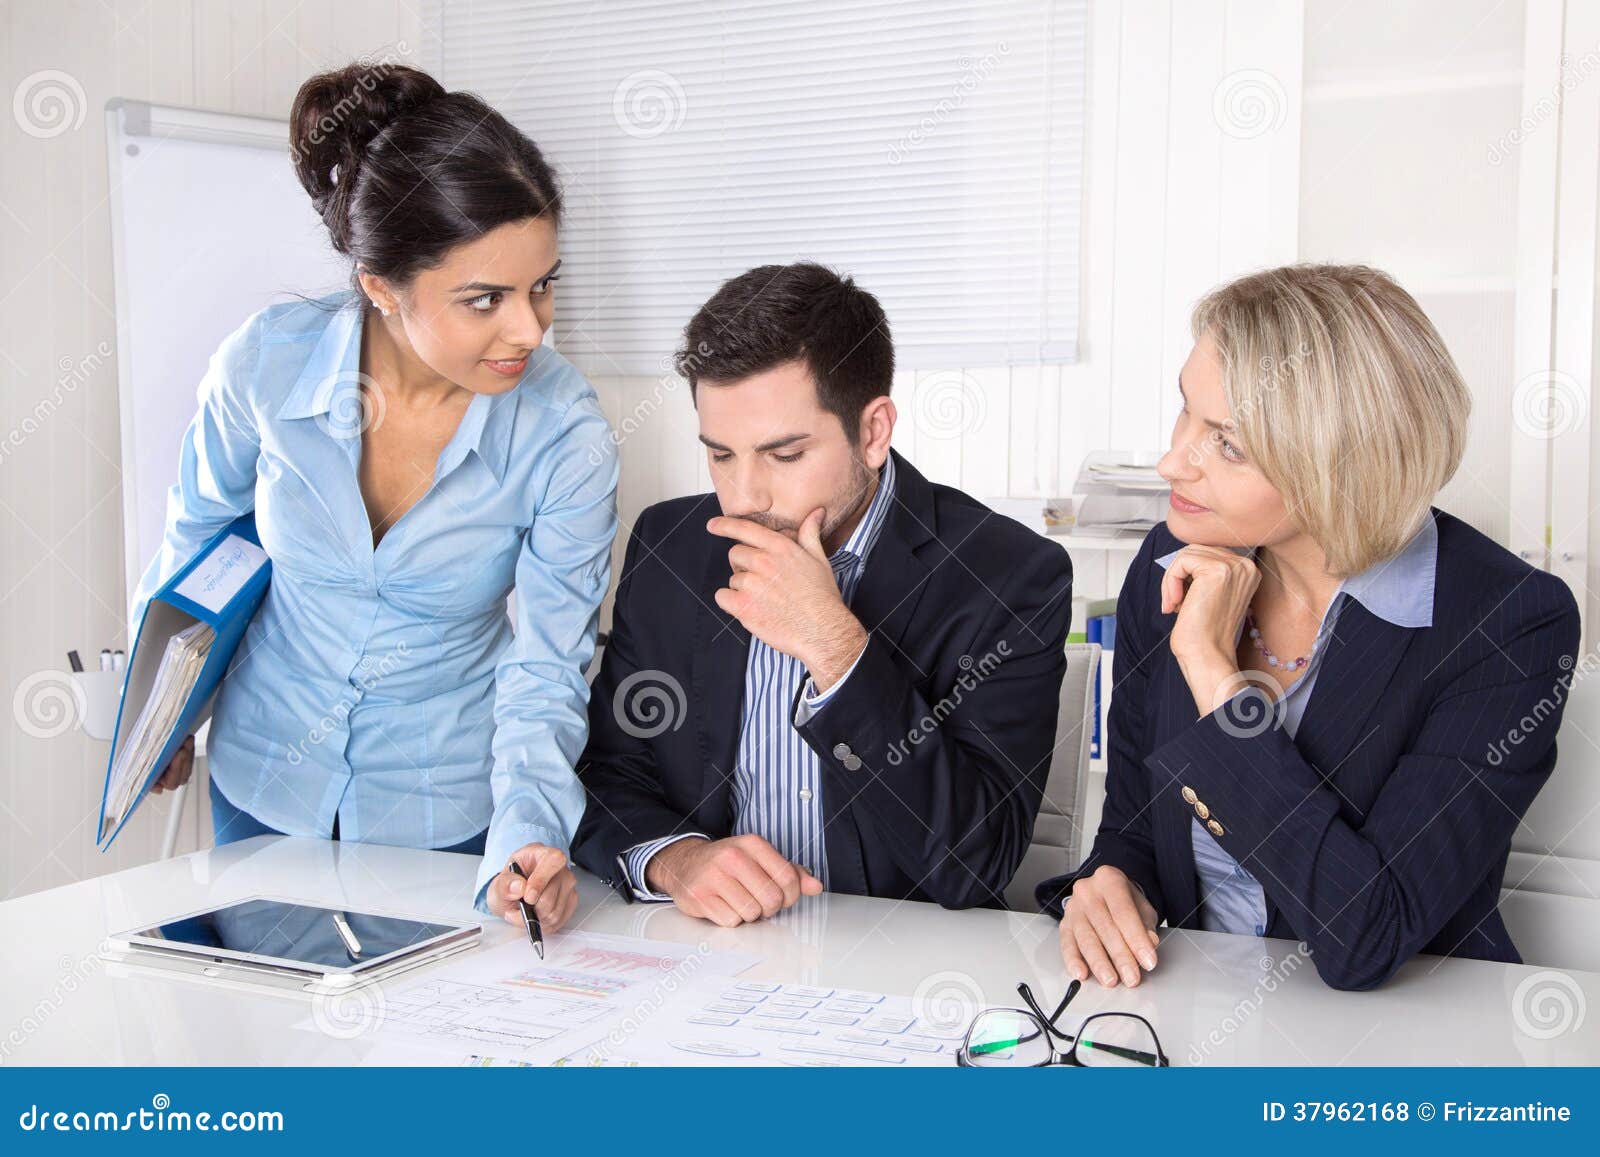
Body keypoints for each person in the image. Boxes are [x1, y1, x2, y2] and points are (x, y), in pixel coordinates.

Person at [132, 63, 618, 931]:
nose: (530, 328)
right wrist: (163, 711)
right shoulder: (266, 362)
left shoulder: (564, 432)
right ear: (381, 286)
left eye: (544, 284)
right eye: (485, 299)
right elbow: (200, 535)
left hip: (442, 811)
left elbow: (548, 663)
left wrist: (529, 834)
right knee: (271, 1052)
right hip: (264, 780)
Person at [1038, 263, 1581, 991]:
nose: (1172, 460)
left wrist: (1211, 672)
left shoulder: (1509, 623)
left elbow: (1366, 933)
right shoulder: (1169, 561)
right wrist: (1109, 885)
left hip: (1409, 1047)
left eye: (1226, 443)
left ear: (1341, 467)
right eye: (1185, 412)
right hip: (1191, 1014)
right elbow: (1137, 825)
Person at [570, 262, 1074, 925]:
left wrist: (835, 646)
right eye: (721, 454)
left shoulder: (1009, 574)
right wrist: (677, 859)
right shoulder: (672, 546)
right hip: (706, 956)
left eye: (783, 456)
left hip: (903, 976)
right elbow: (609, 773)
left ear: (872, 431)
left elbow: (974, 860)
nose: (745, 497)